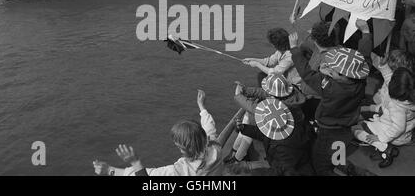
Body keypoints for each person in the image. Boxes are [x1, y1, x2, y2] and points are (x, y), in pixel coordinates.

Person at [288, 20, 371, 176]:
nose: (331, 69)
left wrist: (294, 49)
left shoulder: (330, 87)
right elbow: (365, 56)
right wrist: (365, 33)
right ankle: (355, 171)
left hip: (328, 131)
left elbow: (307, 74)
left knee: (321, 164)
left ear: (342, 75)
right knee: (337, 157)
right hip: (345, 128)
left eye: (334, 70)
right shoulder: (361, 78)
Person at [93, 90, 223, 176]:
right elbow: (209, 125)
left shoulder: (180, 171)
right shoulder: (214, 145)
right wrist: (202, 106)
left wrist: (113, 169)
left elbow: (149, 177)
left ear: (185, 149)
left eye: (179, 146)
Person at [231, 75, 314, 175]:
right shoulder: (287, 111)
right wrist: (244, 128)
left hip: (287, 162)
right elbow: (266, 135)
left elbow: (283, 170)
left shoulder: (283, 147)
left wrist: (238, 95)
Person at [352, 67, 415, 168]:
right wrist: (384, 65)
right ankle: (388, 147)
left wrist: (381, 138)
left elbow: (398, 128)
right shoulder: (406, 96)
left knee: (355, 128)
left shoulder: (397, 106)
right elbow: (384, 108)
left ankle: (384, 148)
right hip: (402, 133)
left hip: (393, 134)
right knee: (362, 121)